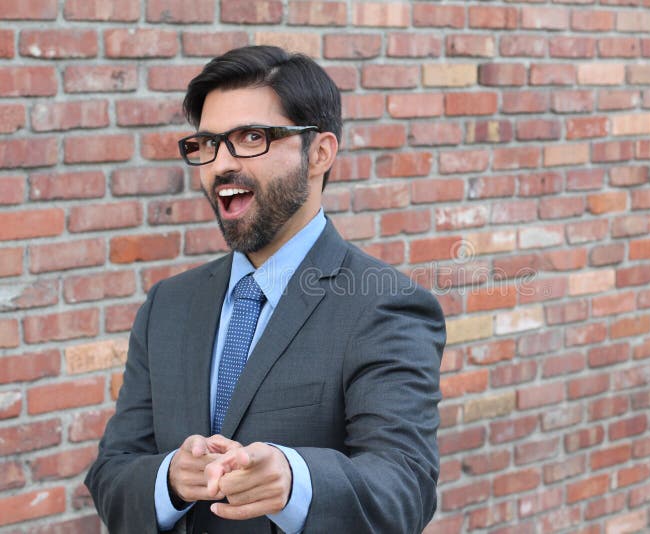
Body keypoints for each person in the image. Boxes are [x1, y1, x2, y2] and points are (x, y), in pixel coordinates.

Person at [85, 45, 446, 534]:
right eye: (208, 143)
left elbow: (404, 488)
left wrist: (295, 481)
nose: (219, 165)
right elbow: (111, 472)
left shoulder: (383, 304)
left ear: (319, 153)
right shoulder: (166, 306)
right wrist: (168, 478)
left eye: (251, 137)